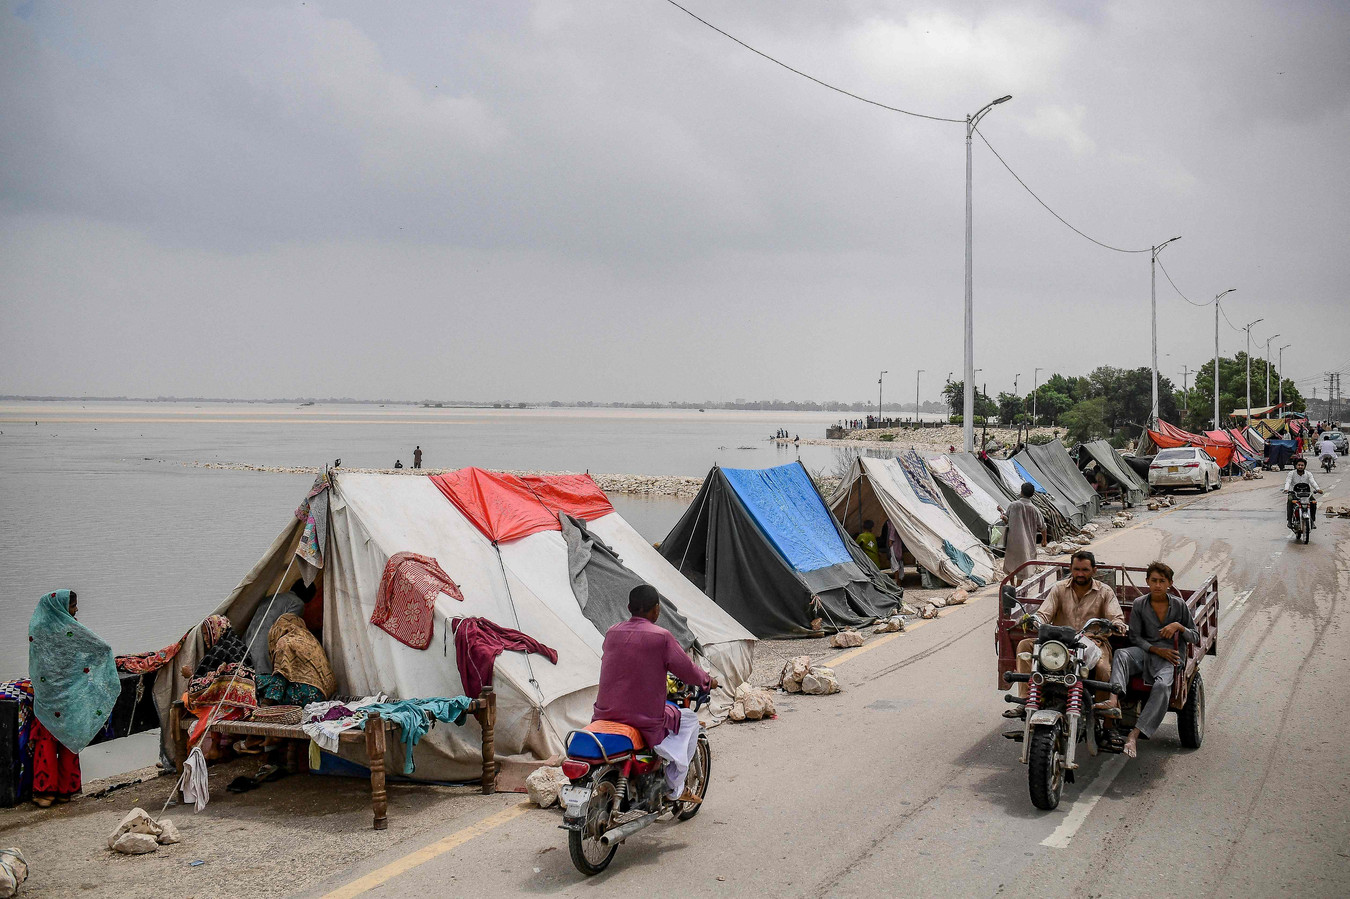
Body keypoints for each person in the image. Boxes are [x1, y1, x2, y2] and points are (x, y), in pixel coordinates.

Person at [591, 585, 716, 800]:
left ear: (629, 607)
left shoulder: (612, 632)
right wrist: (707, 681)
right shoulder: (662, 637)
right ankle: (674, 788)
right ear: (657, 610)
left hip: (605, 714)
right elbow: (687, 670)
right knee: (688, 720)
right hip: (644, 720)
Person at [27, 590, 120, 807]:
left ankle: (45, 792)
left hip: (47, 694)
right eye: (73, 606)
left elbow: (38, 661)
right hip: (70, 696)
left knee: (46, 741)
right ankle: (65, 790)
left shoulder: (38, 627)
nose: (76, 610)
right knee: (69, 737)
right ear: (60, 606)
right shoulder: (71, 628)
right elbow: (100, 648)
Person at [1008, 551, 1125, 713]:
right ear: (1070, 568)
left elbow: (1116, 616)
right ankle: (1026, 699)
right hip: (1059, 641)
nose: (1080, 574)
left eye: (1085, 570)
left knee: (1103, 669)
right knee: (1024, 646)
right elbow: (1044, 614)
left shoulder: (1105, 592)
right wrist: (1035, 620)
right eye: (1076, 569)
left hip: (1093, 643)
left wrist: (1118, 624)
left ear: (1094, 570)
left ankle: (1106, 717)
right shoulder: (1059, 589)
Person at [1104, 561, 1197, 757]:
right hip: (1147, 653)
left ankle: (1134, 734)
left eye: (1162, 581)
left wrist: (1179, 627)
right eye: (1153, 580)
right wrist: (1154, 649)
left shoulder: (1179, 605)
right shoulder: (1139, 604)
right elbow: (1135, 637)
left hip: (1170, 658)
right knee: (1121, 654)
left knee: (1162, 687)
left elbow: (1194, 637)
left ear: (1170, 584)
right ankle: (1113, 700)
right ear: (1147, 581)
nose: (1157, 585)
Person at [181, 615, 258, 757]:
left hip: (230, 709)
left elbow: (201, 688)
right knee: (214, 700)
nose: (205, 638)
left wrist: (189, 676)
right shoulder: (239, 646)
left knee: (187, 698)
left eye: (206, 633)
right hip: (245, 707)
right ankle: (216, 748)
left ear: (216, 631)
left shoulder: (220, 651)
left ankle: (213, 748)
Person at [1002, 483, 1045, 586]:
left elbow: (1007, 520)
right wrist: (1044, 540)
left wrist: (1003, 517)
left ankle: (1012, 585)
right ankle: (1017, 586)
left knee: (1011, 564)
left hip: (1013, 541)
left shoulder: (1013, 505)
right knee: (1023, 566)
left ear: (1021, 492)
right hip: (1027, 543)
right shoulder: (1034, 509)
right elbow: (1043, 527)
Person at [1283, 457, 1323, 529]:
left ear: (1305, 466)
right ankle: (1289, 520)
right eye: (1299, 465)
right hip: (1294, 493)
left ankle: (1312, 521)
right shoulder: (1291, 473)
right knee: (1290, 500)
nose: (1300, 467)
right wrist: (1286, 489)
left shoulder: (1308, 474)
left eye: (1302, 465)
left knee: (1313, 502)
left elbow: (1312, 482)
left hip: (1306, 493)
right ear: (1296, 466)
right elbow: (1288, 481)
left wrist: (1318, 489)